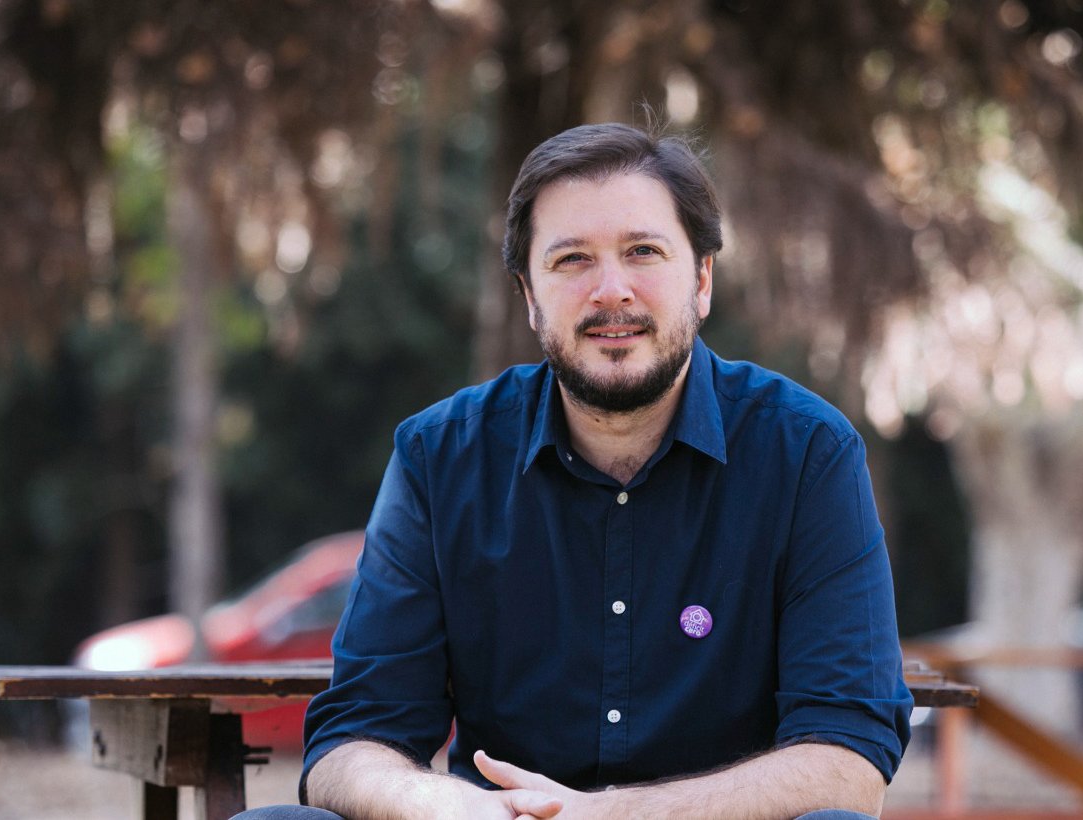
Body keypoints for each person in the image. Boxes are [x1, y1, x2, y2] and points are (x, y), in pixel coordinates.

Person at [235, 123, 911, 820]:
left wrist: (611, 816)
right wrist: (446, 807)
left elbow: (848, 762)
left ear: (701, 280)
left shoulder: (808, 453)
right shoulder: (438, 459)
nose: (611, 290)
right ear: (529, 295)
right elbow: (352, 740)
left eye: (643, 252)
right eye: (571, 261)